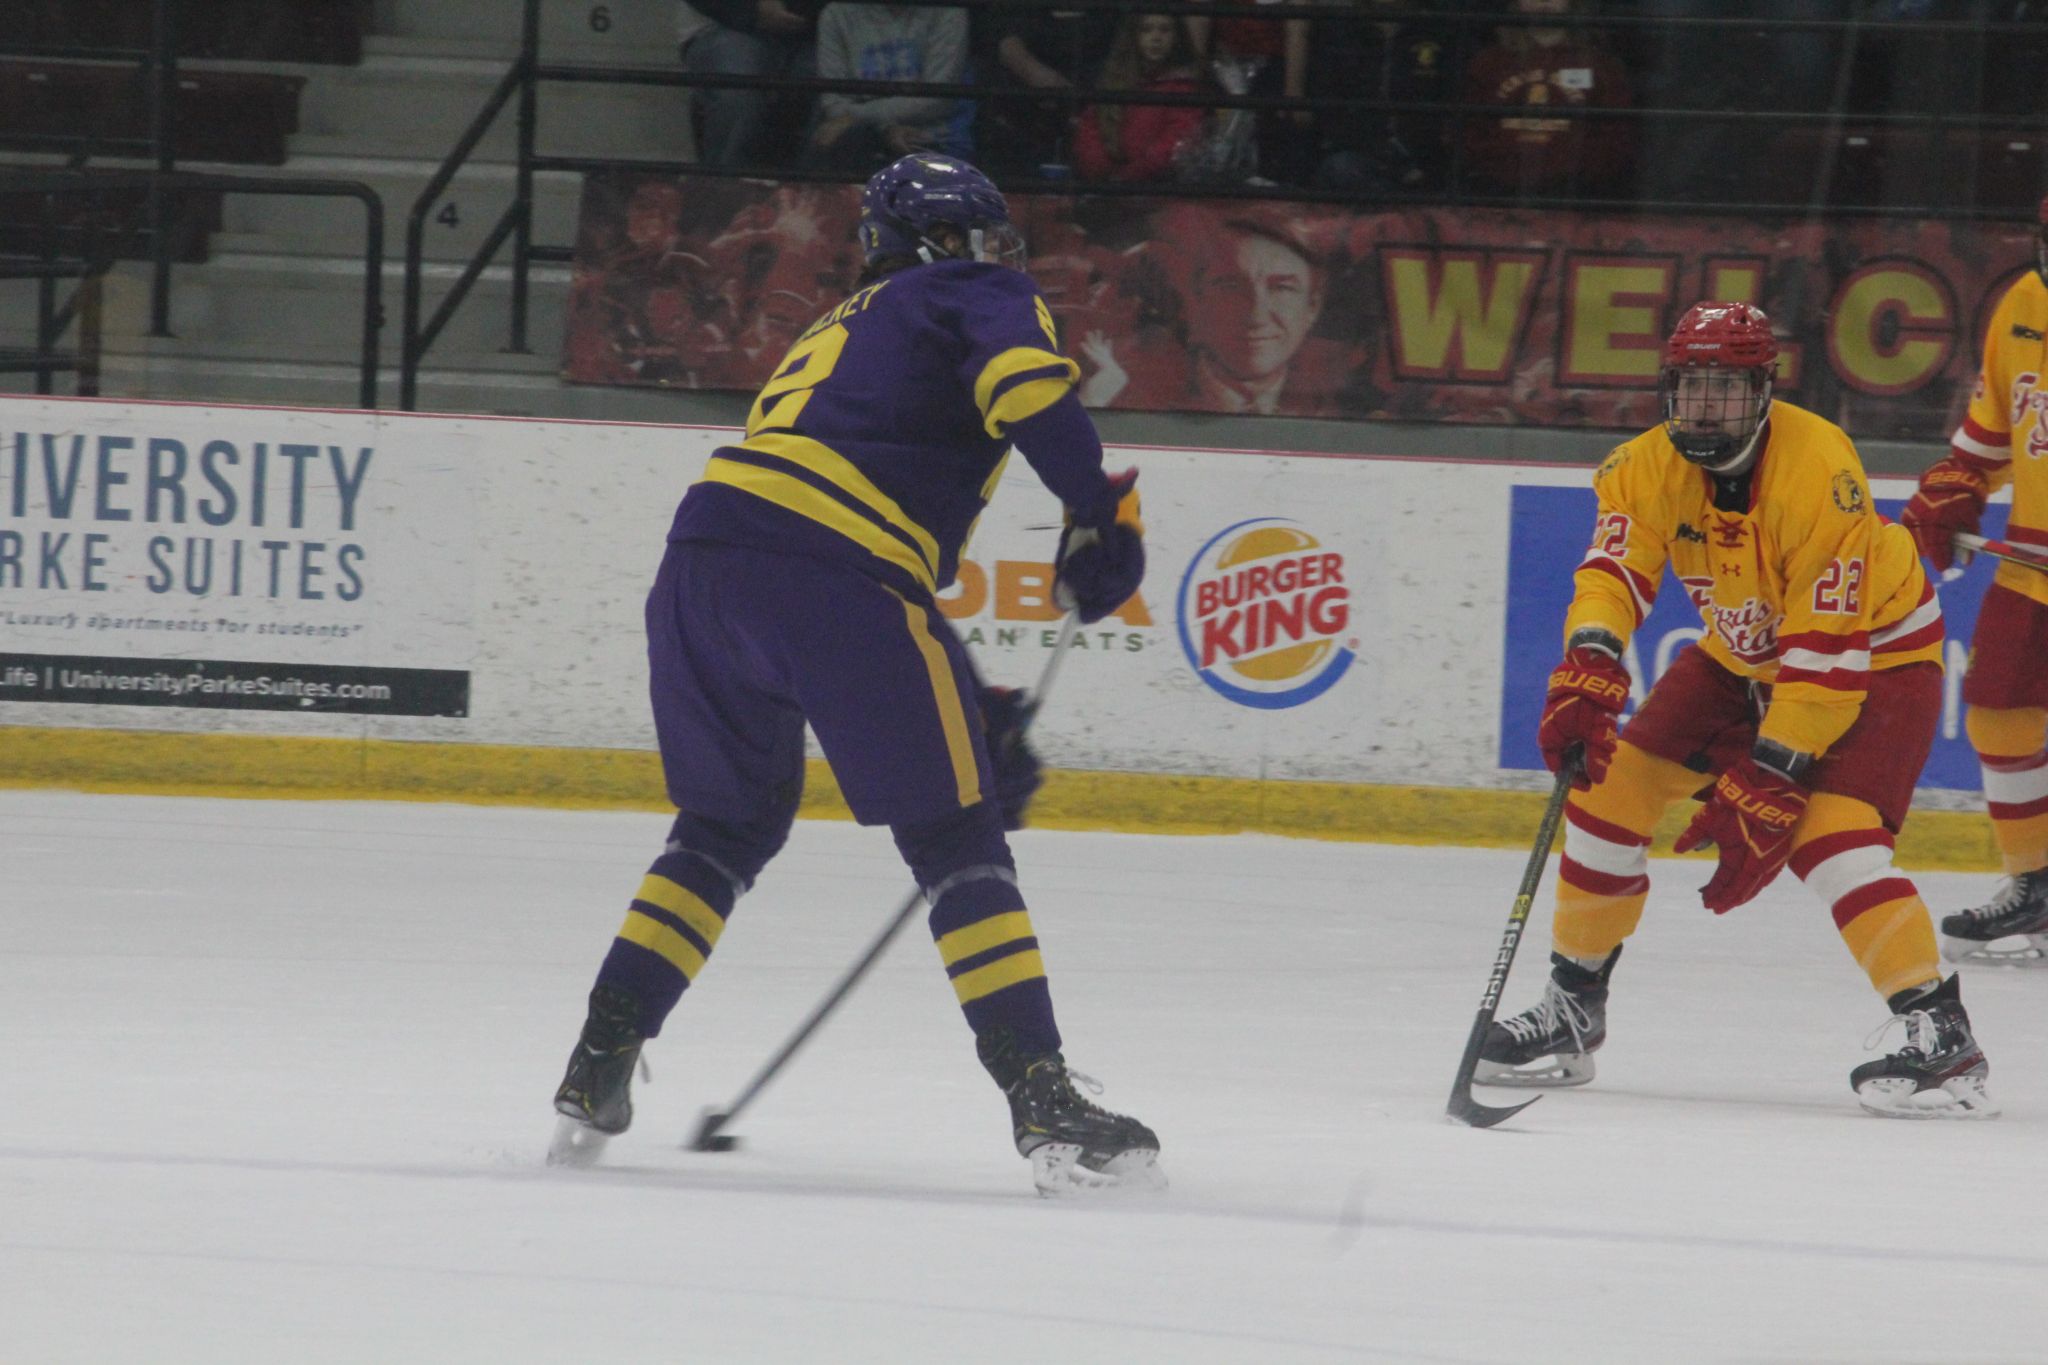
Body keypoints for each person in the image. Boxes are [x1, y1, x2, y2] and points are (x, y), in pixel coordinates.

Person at [549, 154, 1163, 1195]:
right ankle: (1041, 1096)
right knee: (956, 838)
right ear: (937, 245)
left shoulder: (839, 324)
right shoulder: (972, 293)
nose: (989, 254)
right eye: (969, 236)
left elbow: (816, 520)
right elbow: (1021, 395)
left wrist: (966, 703)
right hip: (836, 574)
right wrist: (1095, 508)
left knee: (724, 828)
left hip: (702, 565)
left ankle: (600, 1051)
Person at [1480, 301, 1997, 1120]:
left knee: (1832, 838)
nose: (1704, 407)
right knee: (1607, 793)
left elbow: (1826, 647)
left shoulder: (1818, 468)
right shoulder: (1642, 466)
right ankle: (1572, 1007)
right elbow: (1613, 571)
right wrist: (1591, 657)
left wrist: (1774, 769)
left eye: (1724, 388)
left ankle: (1940, 1030)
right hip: (1740, 654)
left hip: (1877, 657)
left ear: (1762, 391)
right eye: (1690, 387)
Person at [1901, 195, 2048, 966]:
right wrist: (1958, 482)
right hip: (2032, 558)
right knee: (1997, 712)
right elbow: (1993, 435)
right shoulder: (2021, 304)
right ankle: (2037, 883)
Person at [1459, 0, 1634, 199]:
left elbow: (1617, 137)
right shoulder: (1488, 63)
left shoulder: (1601, 66)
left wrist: (1576, 177)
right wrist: (1497, 174)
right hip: (1498, 195)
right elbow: (1466, 131)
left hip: (1576, 197)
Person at [803, 2, 971, 174]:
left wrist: (856, 117)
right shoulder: (837, 14)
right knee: (831, 144)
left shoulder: (948, 11)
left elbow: (936, 99)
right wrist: (885, 130)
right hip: (857, 135)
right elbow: (833, 101)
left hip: (929, 138)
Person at [678, 0, 827, 167]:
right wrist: (750, 9)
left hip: (819, 29)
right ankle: (726, 180)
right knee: (738, 93)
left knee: (834, 95)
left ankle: (810, 182)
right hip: (720, 24)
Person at [1071, 13, 1211, 185]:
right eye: (1146, 30)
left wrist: (1130, 176)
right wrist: (1102, 170)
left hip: (1158, 188)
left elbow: (1177, 140)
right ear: (1133, 36)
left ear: (1177, 38)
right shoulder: (1113, 81)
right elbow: (1090, 130)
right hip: (1105, 186)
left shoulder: (1185, 88)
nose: (1156, 38)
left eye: (1165, 30)